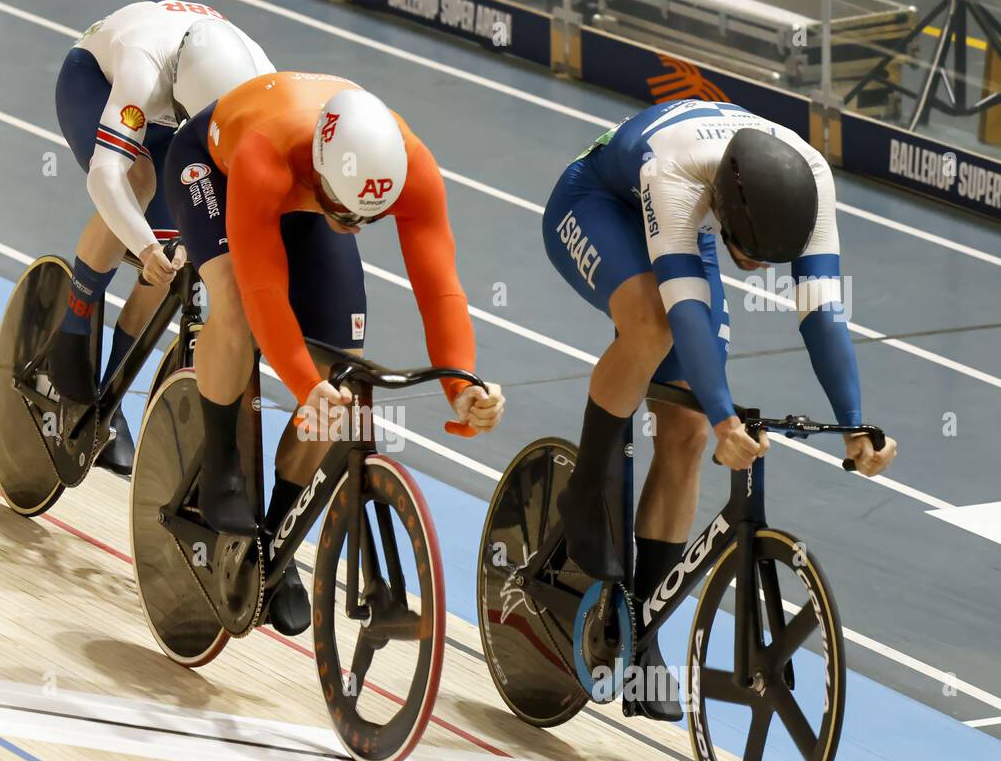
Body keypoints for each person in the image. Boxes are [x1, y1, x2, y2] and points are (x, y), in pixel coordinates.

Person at [542, 99, 897, 721]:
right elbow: (685, 312)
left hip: (694, 222)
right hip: (600, 203)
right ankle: (585, 490)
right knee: (653, 326)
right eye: (749, 253)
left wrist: (854, 423)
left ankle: (642, 634)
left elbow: (822, 313)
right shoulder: (675, 172)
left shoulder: (811, 179)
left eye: (769, 260)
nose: (756, 268)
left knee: (685, 431)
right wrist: (727, 419)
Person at [164, 72, 506, 636]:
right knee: (236, 303)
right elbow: (265, 291)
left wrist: (461, 384)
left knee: (340, 370)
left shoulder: (410, 169)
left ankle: (273, 542)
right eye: (345, 214)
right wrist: (304, 385)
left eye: (365, 219)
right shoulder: (266, 155)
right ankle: (221, 464)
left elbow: (440, 289)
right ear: (322, 171)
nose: (354, 228)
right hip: (215, 168)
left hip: (307, 190)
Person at [49, 1, 272, 474]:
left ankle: (112, 394)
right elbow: (105, 176)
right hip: (96, 83)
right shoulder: (142, 64)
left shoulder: (259, 77)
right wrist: (145, 247)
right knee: (138, 181)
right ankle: (74, 325)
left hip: (187, 121)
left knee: (180, 244)